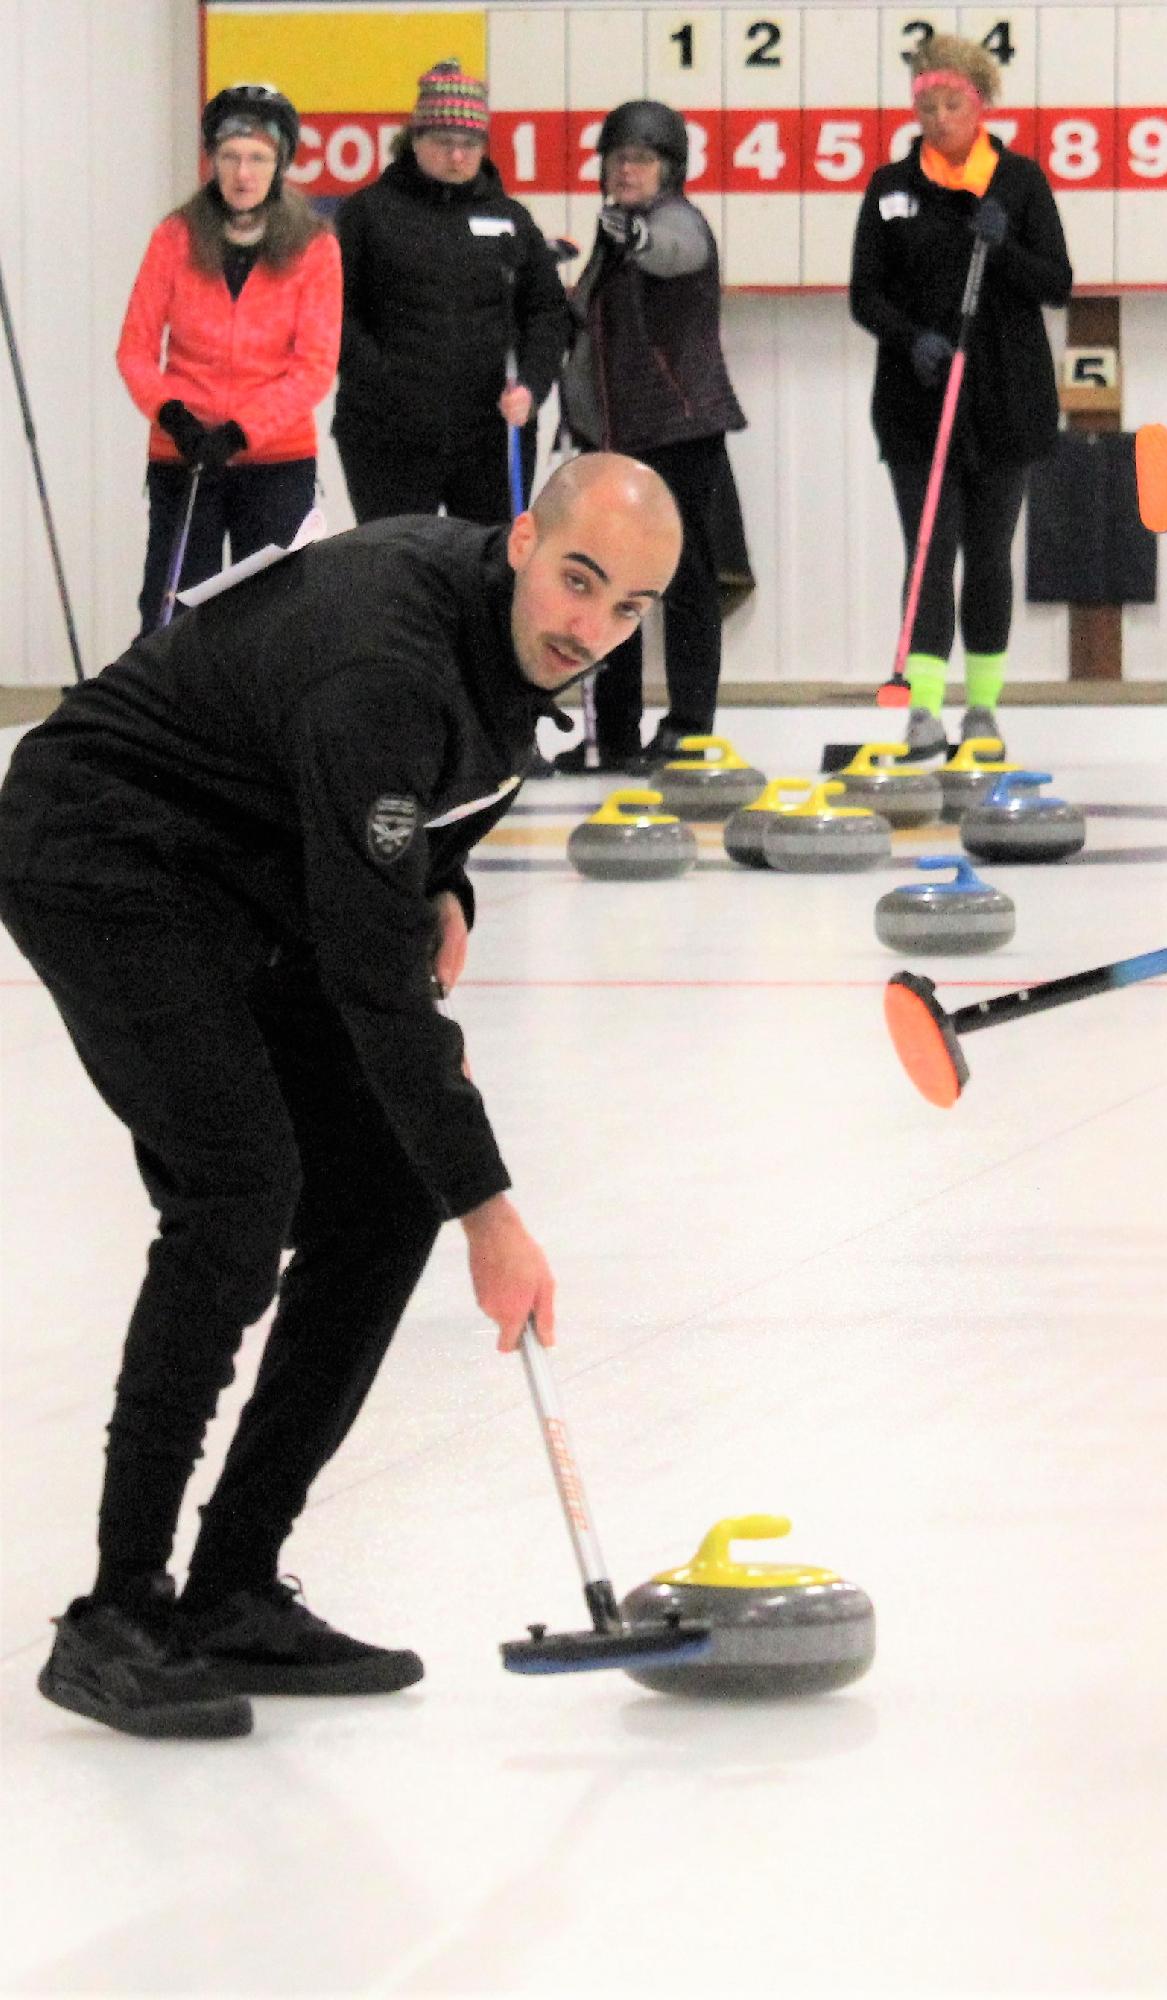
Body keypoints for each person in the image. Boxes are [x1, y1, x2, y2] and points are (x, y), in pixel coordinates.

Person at [0, 455, 683, 1741]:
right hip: (105, 852)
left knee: (378, 1186)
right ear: (523, 537)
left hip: (250, 866)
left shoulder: (507, 636)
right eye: (578, 580)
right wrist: (490, 1206)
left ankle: (236, 1584)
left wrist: (448, 891)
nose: (588, 628)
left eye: (627, 608)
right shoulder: (387, 661)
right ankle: (118, 1610)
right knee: (238, 1188)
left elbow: (427, 824)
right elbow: (371, 977)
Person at [850, 33, 1072, 760]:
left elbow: (1057, 283)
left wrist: (1003, 247)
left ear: (981, 104)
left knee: (986, 553)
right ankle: (922, 709)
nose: (937, 116)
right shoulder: (890, 188)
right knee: (928, 551)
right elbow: (864, 294)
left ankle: (981, 710)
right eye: (925, 104)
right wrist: (910, 337)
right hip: (918, 406)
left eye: (952, 103)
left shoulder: (1019, 182)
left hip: (1006, 401)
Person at [554, 99, 748, 775]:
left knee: (685, 580)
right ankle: (615, 734)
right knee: (612, 584)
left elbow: (676, 252)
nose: (626, 169)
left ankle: (691, 727)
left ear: (669, 168)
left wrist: (633, 242)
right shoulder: (616, 229)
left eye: (640, 159)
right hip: (617, 435)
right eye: (617, 159)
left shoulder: (670, 221)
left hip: (678, 430)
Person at [116, 85, 341, 634]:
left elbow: (314, 365)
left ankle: (265, 722)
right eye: (231, 157)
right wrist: (175, 419)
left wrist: (242, 433)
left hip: (275, 460)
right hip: (185, 453)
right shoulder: (174, 237)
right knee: (171, 615)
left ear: (280, 164)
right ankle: (170, 720)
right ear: (212, 161)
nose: (243, 173)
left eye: (259, 158)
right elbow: (135, 350)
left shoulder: (314, 245)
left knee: (273, 618)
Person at [332, 58, 568, 527]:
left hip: (490, 436)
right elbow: (334, 314)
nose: (457, 157)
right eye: (443, 143)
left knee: (486, 569)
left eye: (469, 144)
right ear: (415, 140)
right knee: (396, 568)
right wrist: (381, 381)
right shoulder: (367, 214)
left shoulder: (512, 221)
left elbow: (546, 314)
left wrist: (532, 387)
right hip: (387, 437)